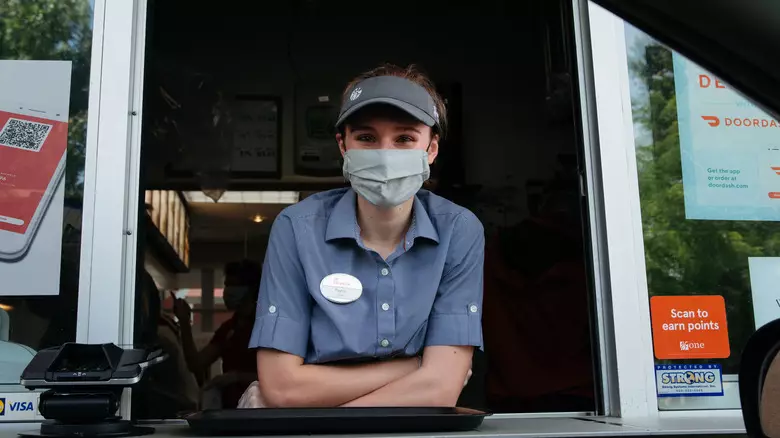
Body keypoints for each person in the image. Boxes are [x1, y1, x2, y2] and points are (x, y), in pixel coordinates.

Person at [238, 64, 484, 409]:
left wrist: (315, 414)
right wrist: (413, 367)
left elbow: (440, 391)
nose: (385, 154)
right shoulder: (297, 227)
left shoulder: (458, 229)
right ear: (343, 146)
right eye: (367, 138)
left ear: (431, 149)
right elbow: (283, 387)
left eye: (405, 139)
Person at [173, 259, 261, 408]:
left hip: (259, 409)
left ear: (252, 289)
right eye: (227, 285)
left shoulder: (266, 326)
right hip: (230, 411)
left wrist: (235, 377)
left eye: (234, 285)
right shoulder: (229, 328)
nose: (228, 291)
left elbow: (280, 377)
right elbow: (196, 364)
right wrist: (184, 322)